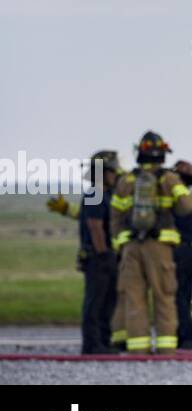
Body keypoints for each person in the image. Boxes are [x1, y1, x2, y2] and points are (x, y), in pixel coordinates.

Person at [109, 132, 192, 353]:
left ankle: (138, 348)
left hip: (130, 247)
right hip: (160, 246)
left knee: (134, 298)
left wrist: (121, 243)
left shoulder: (126, 180)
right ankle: (166, 348)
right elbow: (186, 207)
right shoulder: (169, 179)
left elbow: (115, 216)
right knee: (164, 295)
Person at [48, 149, 121, 354]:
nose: (115, 175)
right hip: (98, 257)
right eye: (112, 171)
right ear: (102, 172)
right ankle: (92, 345)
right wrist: (104, 254)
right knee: (95, 303)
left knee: (107, 302)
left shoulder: (103, 194)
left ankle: (103, 342)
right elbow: (94, 225)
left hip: (104, 255)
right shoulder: (95, 193)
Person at [172, 160, 192, 349]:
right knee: (186, 294)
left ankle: (188, 336)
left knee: (178, 296)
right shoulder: (190, 199)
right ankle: (185, 335)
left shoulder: (180, 199)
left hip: (180, 252)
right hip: (191, 252)